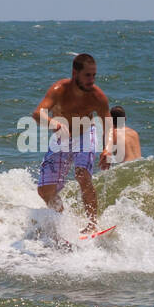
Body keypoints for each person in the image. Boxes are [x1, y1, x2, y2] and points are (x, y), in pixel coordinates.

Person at [31, 53, 112, 230]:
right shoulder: (59, 90)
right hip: (61, 138)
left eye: (94, 75)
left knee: (82, 174)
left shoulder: (97, 97)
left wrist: (106, 149)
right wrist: (53, 123)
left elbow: (108, 124)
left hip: (85, 135)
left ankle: (92, 225)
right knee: (45, 191)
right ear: (75, 73)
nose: (92, 80)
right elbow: (38, 114)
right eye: (87, 75)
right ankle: (61, 220)